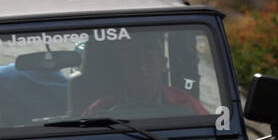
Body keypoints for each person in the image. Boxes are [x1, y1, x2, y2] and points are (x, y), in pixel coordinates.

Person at [81, 37, 209, 116]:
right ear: (123, 68)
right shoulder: (101, 110)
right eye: (134, 63)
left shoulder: (185, 104)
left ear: (163, 64)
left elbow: (212, 135)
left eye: (149, 61)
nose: (142, 69)